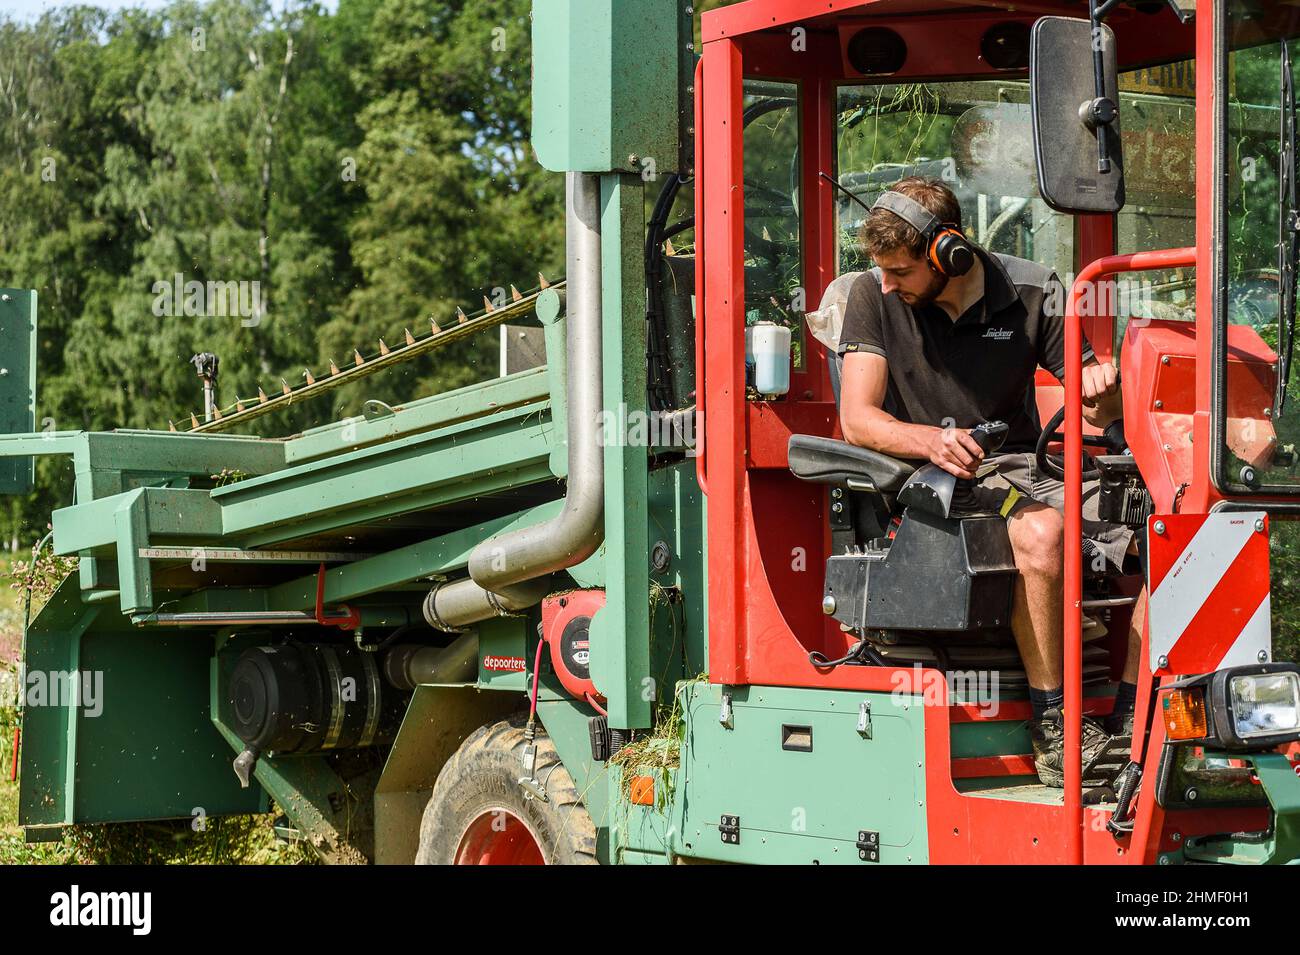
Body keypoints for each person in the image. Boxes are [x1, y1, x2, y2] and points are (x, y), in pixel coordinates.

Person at [836, 176, 1142, 788]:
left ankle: (1137, 721)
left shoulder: (1035, 291)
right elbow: (857, 419)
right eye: (884, 271)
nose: (889, 282)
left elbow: (1092, 403)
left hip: (1025, 465)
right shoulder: (872, 296)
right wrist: (930, 440)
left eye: (901, 270)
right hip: (928, 477)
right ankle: (1056, 731)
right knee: (1043, 533)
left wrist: (1103, 398)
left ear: (947, 252)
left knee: (1164, 529)